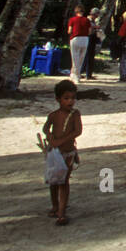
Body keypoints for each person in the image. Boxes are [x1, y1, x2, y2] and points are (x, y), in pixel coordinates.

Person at [37, 79, 83, 225]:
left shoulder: (75, 114)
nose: (70, 101)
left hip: (68, 153)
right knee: (53, 181)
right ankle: (55, 206)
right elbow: (45, 129)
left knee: (63, 181)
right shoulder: (53, 115)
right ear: (58, 99)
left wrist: (61, 141)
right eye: (66, 98)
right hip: (54, 153)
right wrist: (51, 139)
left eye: (73, 98)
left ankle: (61, 213)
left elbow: (78, 131)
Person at [66, 5, 91, 82]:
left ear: (76, 12)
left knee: (75, 58)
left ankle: (76, 75)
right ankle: (73, 74)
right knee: (81, 58)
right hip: (85, 39)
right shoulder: (87, 20)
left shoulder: (72, 20)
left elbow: (69, 31)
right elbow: (89, 31)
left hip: (75, 38)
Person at [83, 8, 102, 79]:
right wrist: (95, 27)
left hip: (93, 39)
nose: (97, 16)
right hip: (89, 38)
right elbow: (88, 29)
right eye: (96, 15)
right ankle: (85, 73)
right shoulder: (87, 20)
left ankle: (89, 74)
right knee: (87, 56)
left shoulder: (94, 21)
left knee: (91, 57)